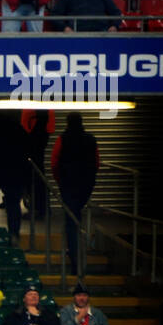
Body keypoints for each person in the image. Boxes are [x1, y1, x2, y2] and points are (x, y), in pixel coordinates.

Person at [51, 112, 101, 279]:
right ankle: (78, 259)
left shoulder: (62, 139)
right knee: (76, 217)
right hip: (85, 186)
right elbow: (96, 162)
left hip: (68, 185)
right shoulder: (91, 139)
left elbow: (54, 162)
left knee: (71, 222)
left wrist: (60, 181)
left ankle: (75, 262)